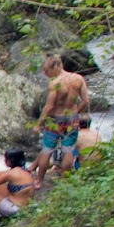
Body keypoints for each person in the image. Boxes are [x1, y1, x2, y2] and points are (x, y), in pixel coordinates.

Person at [34, 54, 90, 189]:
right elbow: (86, 100)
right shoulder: (78, 78)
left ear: (56, 67)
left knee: (47, 150)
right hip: (71, 119)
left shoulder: (55, 84)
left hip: (55, 120)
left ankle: (39, 181)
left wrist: (38, 124)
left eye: (47, 71)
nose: (46, 74)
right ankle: (64, 181)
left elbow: (49, 106)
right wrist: (76, 113)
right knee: (68, 150)